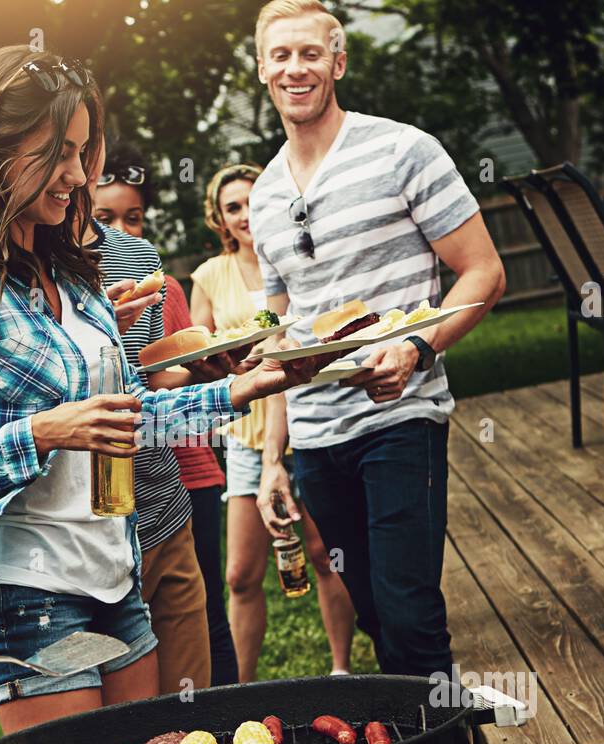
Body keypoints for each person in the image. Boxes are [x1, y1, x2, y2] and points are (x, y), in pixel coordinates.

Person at [0, 46, 321, 735]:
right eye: (59, 152)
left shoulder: (72, 273)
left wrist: (244, 386)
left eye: (84, 152)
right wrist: (43, 432)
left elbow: (129, 417)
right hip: (29, 594)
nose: (78, 175)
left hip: (116, 574)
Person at [249, 0, 506, 679]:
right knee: (370, 614)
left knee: (409, 614)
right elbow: (279, 332)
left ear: (338, 62)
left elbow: (484, 271)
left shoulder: (402, 150)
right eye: (280, 55)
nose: (294, 68)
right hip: (314, 437)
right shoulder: (266, 193)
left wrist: (418, 348)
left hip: (401, 417)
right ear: (261, 69)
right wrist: (273, 459)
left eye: (310, 53)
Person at [191, 162, 354, 681]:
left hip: (305, 423)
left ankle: (342, 670)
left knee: (325, 555)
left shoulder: (294, 260)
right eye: (231, 207)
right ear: (219, 218)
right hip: (245, 436)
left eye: (250, 203)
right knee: (240, 574)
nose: (243, 216)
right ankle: (240, 690)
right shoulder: (208, 276)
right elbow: (200, 356)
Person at [93, 140, 239, 686]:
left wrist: (211, 367)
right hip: (97, 497)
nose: (122, 231)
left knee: (199, 630)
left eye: (133, 217)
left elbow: (155, 375)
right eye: (106, 216)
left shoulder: (142, 262)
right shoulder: (41, 267)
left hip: (165, 481)